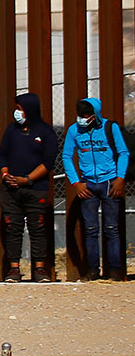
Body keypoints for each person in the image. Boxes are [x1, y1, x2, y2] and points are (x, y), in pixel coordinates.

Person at [61, 97, 129, 281]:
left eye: (86, 115)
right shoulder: (74, 130)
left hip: (109, 182)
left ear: (95, 114)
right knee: (90, 229)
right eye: (80, 115)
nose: (83, 118)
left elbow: (123, 153)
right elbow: (67, 156)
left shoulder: (110, 127)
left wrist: (120, 178)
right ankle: (92, 269)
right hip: (87, 184)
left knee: (111, 228)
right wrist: (76, 182)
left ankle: (115, 270)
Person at [0, 91, 58, 282]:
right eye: (16, 109)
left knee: (37, 227)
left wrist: (27, 179)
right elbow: (2, 155)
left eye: (20, 109)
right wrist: (6, 174)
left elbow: (48, 162)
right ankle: (14, 268)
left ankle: (39, 268)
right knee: (12, 228)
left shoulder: (46, 132)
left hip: (35, 187)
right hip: (10, 189)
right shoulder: (11, 130)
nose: (17, 113)